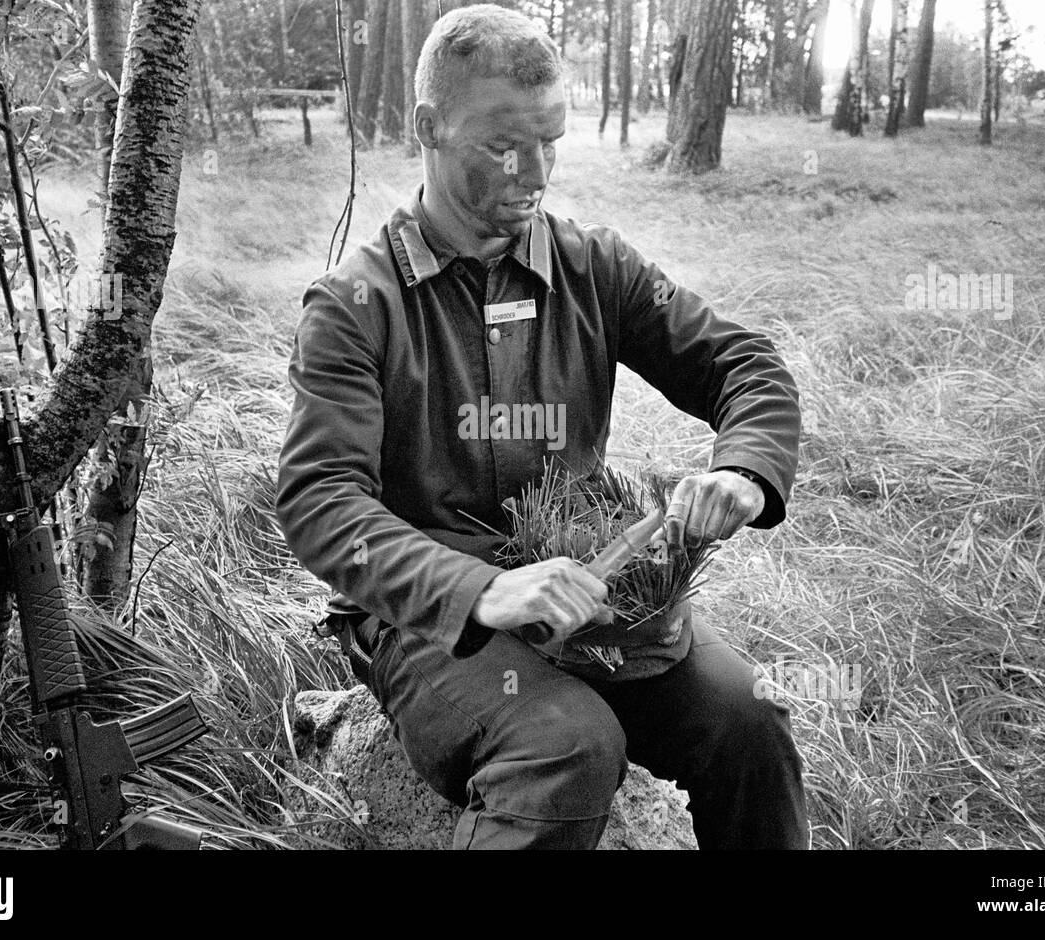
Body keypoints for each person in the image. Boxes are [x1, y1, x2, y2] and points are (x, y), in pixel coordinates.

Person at [277, 4, 807, 849]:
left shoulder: (594, 265)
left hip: (594, 602)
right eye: (502, 146)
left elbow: (744, 364)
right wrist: (480, 590)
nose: (536, 173)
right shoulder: (354, 308)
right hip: (427, 622)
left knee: (749, 717)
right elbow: (319, 500)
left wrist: (744, 469)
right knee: (566, 743)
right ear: (429, 127)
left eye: (552, 141)